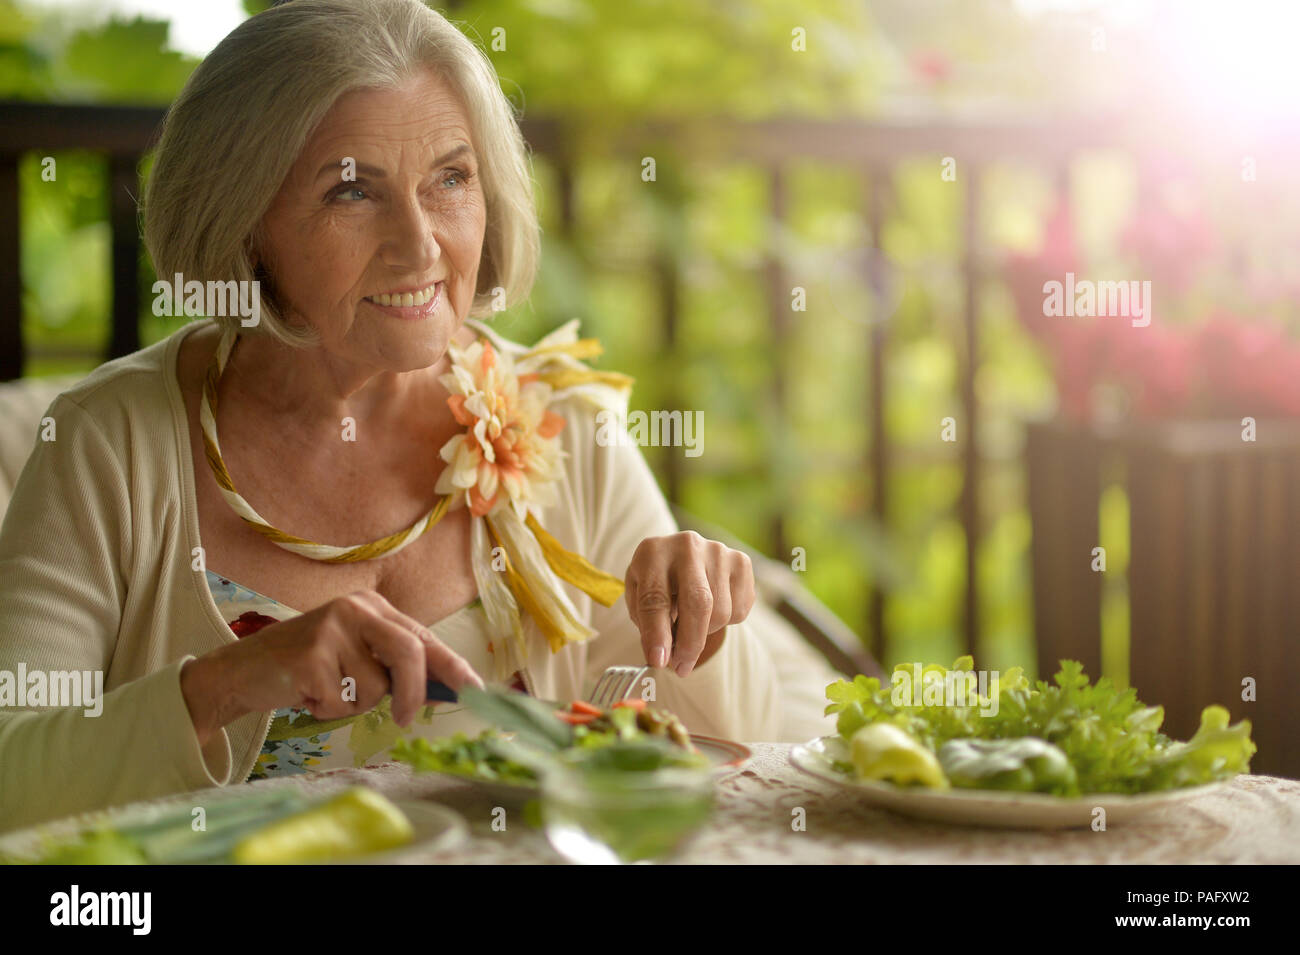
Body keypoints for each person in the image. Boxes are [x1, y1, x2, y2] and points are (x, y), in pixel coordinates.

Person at [0, 0, 834, 832]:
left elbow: (727, 764)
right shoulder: (103, 443)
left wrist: (703, 623)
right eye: (352, 190)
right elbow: (12, 775)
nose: (422, 244)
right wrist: (223, 684)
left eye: (451, 177)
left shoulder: (561, 422)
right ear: (243, 224)